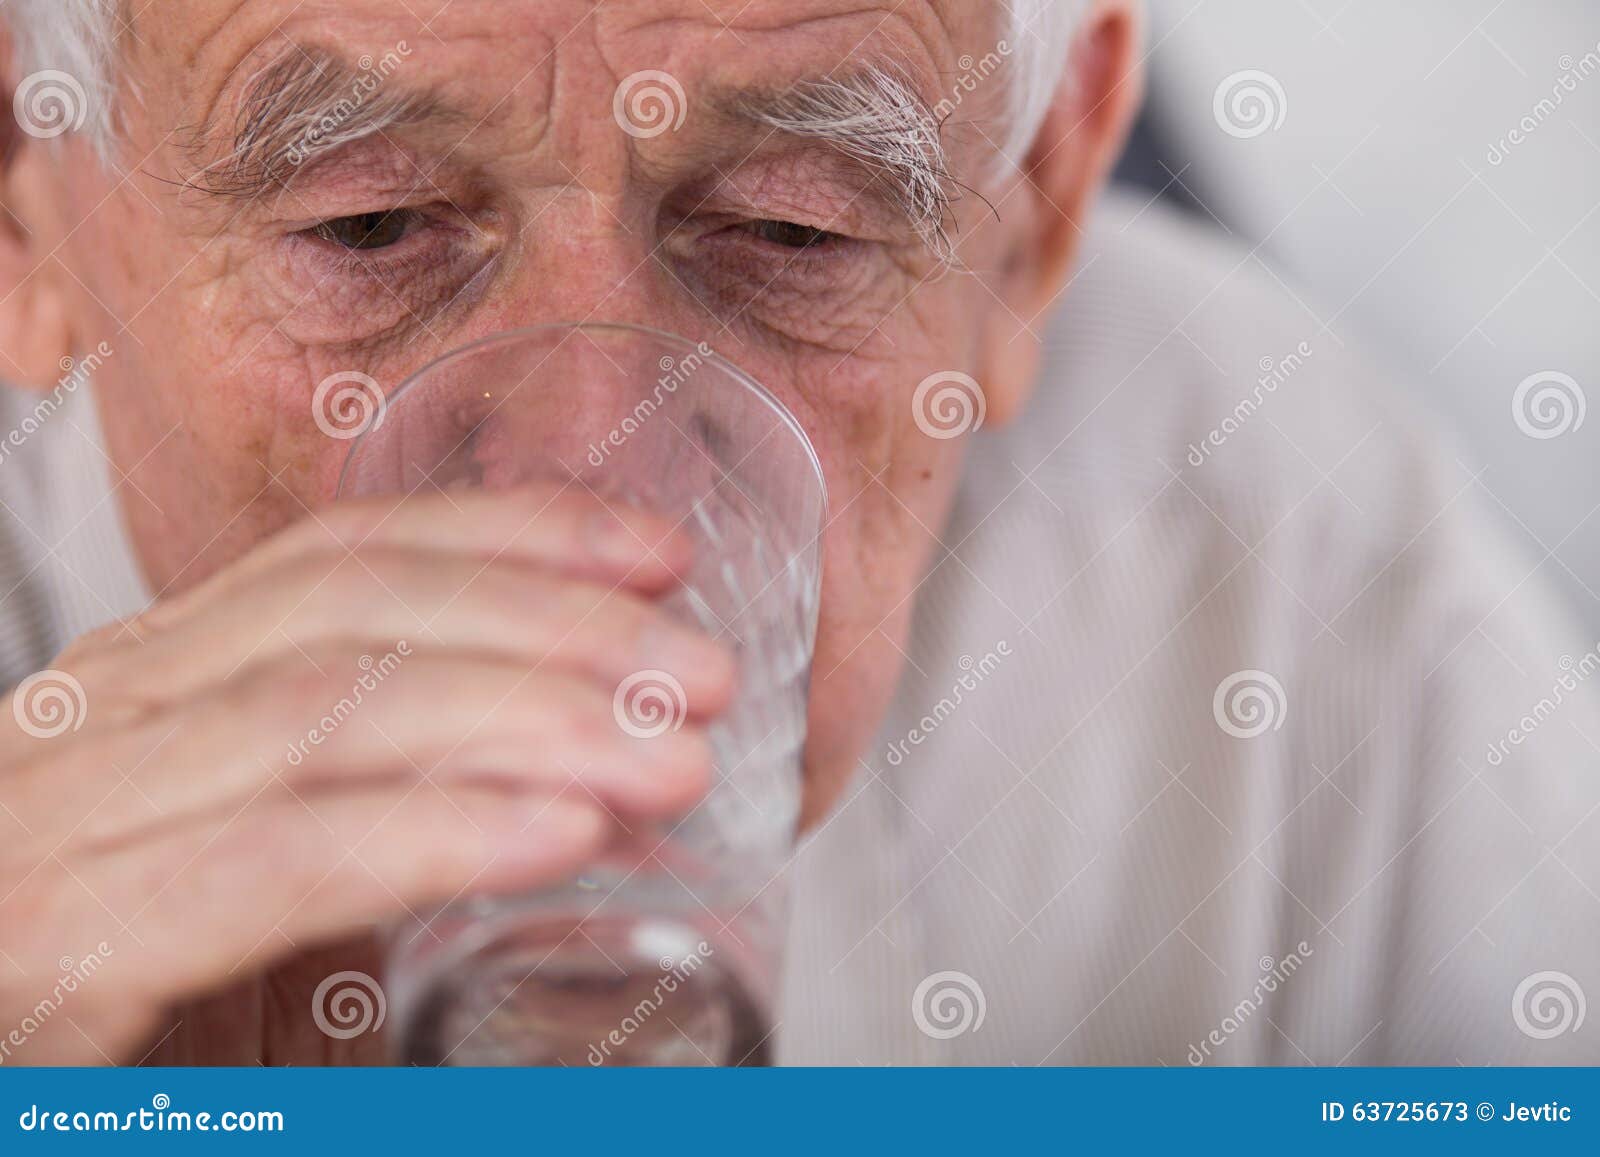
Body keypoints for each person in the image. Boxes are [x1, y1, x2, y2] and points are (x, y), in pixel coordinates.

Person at [0, 0, 1593, 1065]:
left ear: (1035, 205)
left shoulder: (1286, 559)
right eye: (368, 227)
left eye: (789, 229)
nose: (595, 487)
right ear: (25, 183)